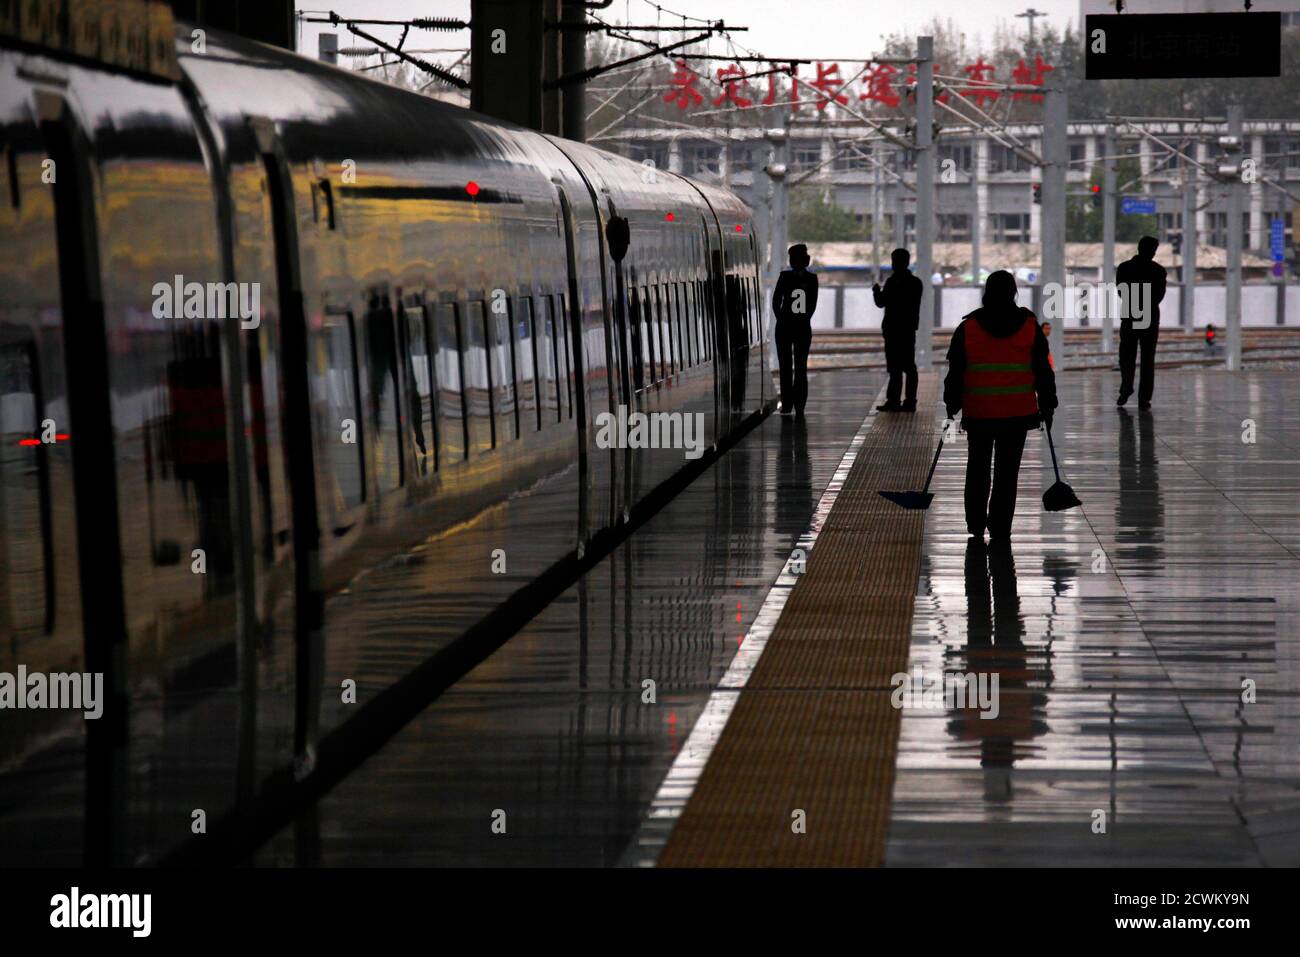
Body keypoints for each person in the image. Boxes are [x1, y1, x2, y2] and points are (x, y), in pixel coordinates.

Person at [944, 270, 1057, 545]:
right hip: (1016, 415)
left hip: (980, 413)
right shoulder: (1030, 327)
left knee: (978, 469)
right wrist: (1048, 405)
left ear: (986, 292)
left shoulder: (968, 328)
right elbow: (1043, 371)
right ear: (1014, 293)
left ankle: (975, 523)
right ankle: (1000, 527)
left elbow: (956, 370)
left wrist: (952, 403)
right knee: (1007, 473)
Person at [1115, 235, 1167, 410]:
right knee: (1147, 360)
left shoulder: (1124, 268)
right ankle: (1144, 399)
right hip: (1150, 318)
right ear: (1152, 251)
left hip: (1130, 316)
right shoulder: (1159, 271)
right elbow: (1159, 296)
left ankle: (1126, 387)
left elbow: (1122, 292)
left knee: (1126, 356)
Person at [872, 248, 923, 412]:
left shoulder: (892, 282)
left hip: (892, 329)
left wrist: (875, 291)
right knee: (909, 366)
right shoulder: (915, 283)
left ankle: (893, 401)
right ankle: (910, 402)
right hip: (907, 329)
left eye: (894, 261)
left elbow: (880, 303)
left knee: (894, 367)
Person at [771, 243, 818, 416]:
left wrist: (782, 319)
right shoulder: (811, 279)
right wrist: (801, 320)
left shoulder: (785, 277)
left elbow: (776, 301)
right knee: (796, 367)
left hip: (787, 327)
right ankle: (796, 405)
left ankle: (791, 405)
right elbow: (811, 305)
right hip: (801, 328)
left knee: (791, 367)